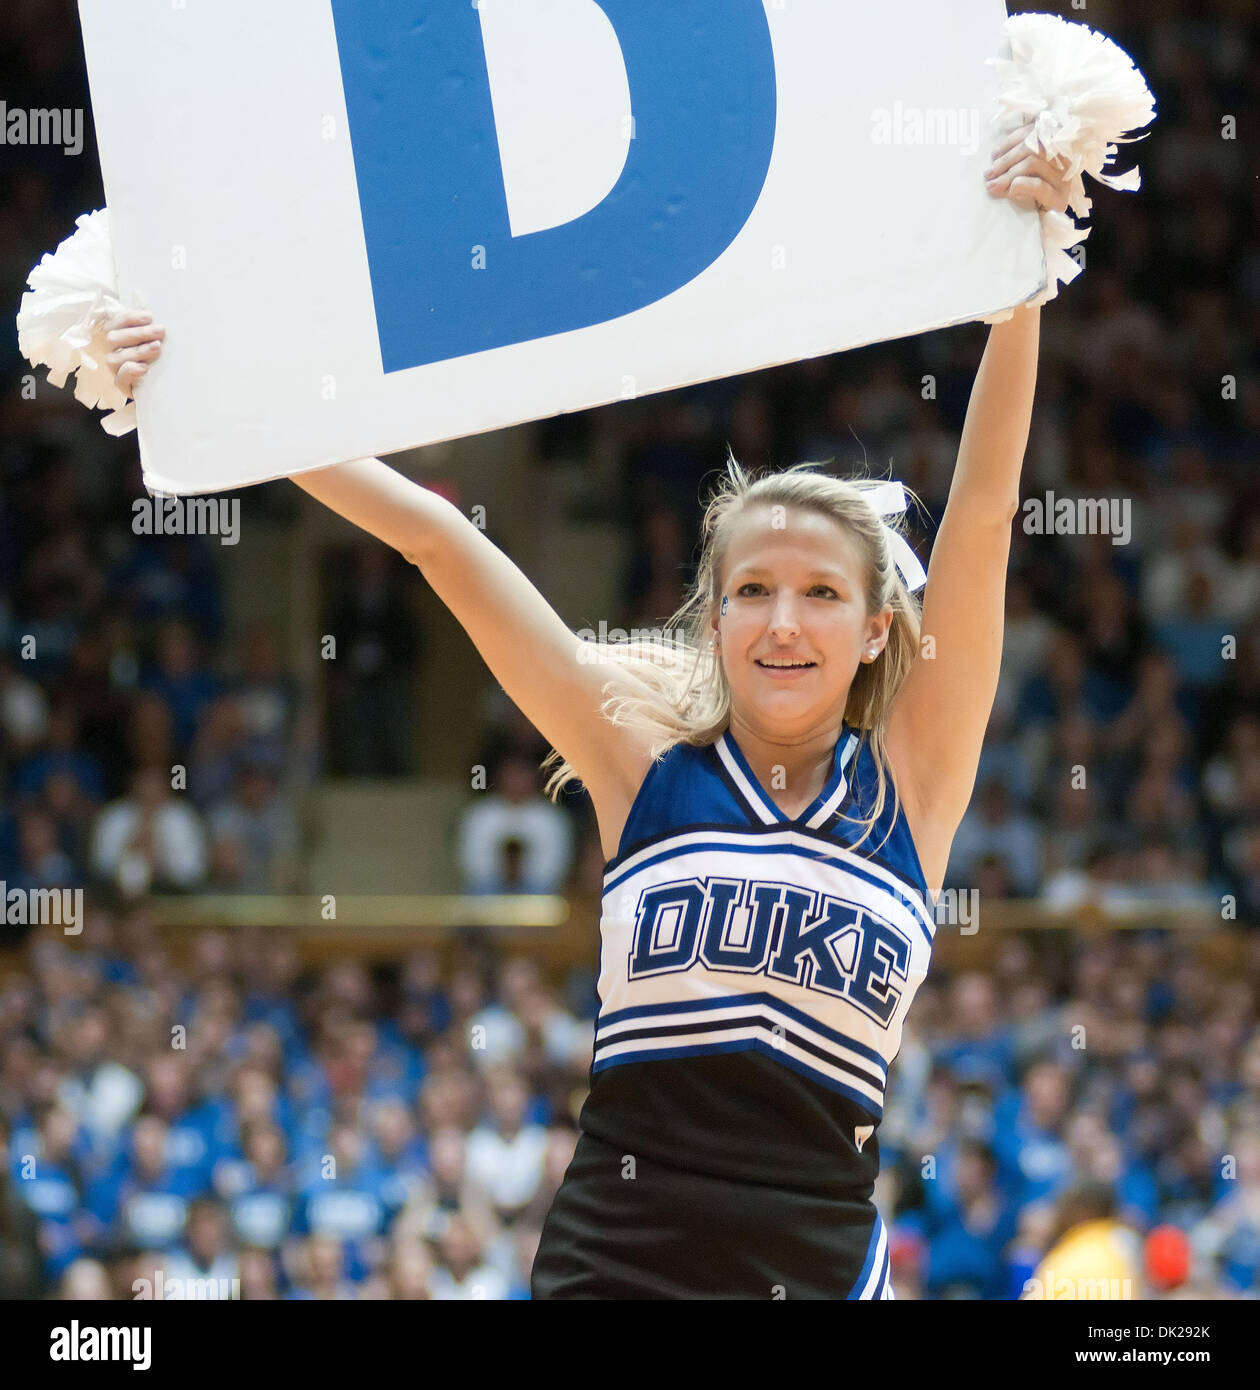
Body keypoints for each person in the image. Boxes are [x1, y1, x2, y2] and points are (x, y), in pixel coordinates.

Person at [101, 126, 1074, 1298]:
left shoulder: (915, 784)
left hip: (813, 1268)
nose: (781, 622)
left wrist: (1020, 290)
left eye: (821, 594)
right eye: (751, 590)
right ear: (712, 617)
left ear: (876, 629)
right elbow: (436, 539)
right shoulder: (646, 763)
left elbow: (979, 520)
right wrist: (207, 390)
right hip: (613, 1258)